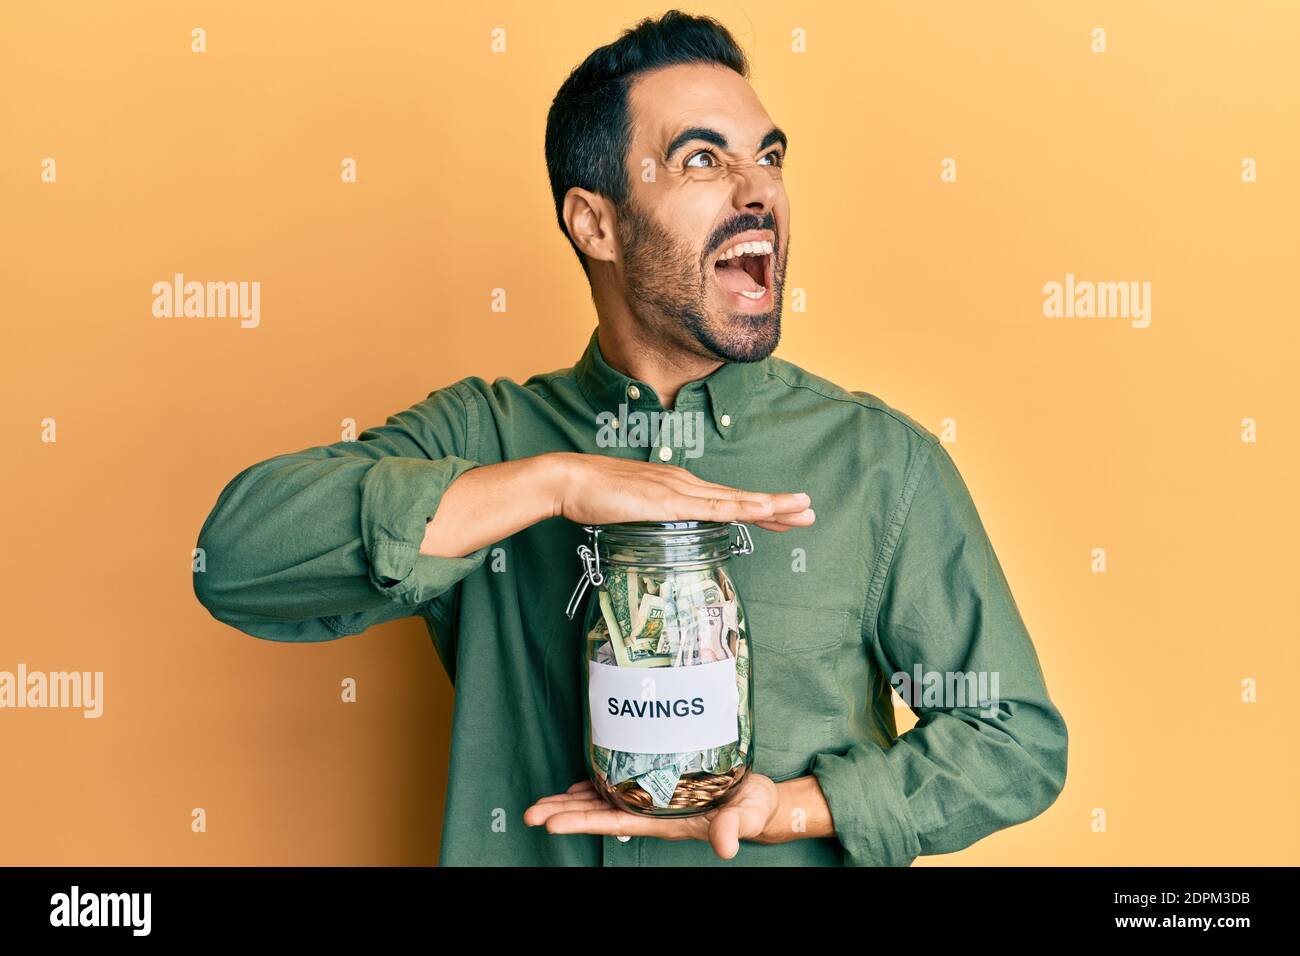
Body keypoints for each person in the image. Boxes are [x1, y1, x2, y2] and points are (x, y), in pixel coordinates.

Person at [193, 10, 1067, 866]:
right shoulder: (485, 434)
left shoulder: (880, 464)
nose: (760, 188)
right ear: (595, 223)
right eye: (702, 159)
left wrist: (797, 809)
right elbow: (236, 558)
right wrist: (553, 486)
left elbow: (1014, 740)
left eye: (769, 157)